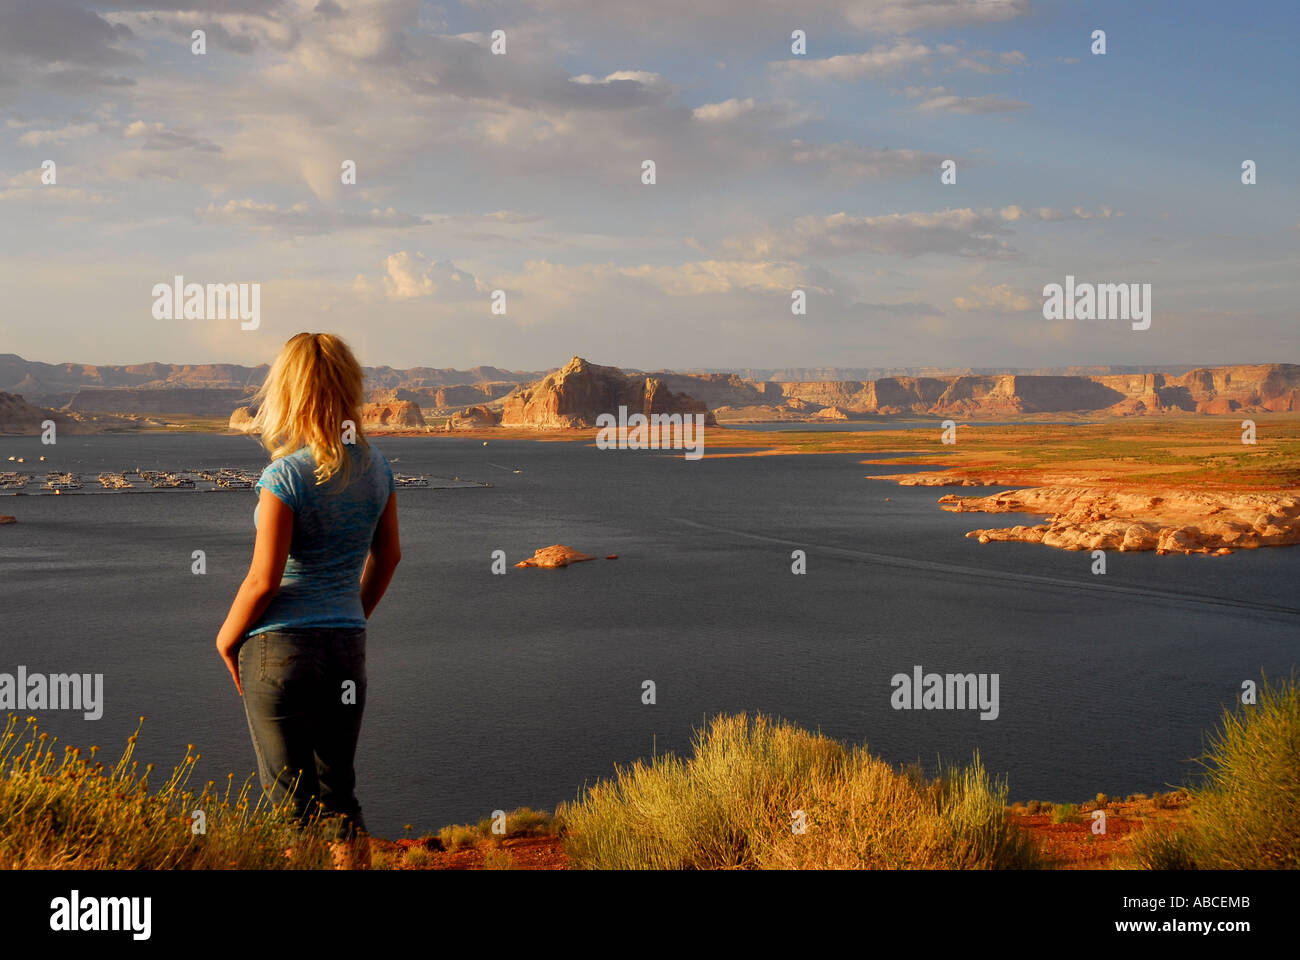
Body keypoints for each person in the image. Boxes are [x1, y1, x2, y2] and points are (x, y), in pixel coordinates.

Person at [215, 332, 401, 869]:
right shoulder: (377, 469)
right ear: (349, 388)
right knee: (339, 796)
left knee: (291, 814)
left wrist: (227, 639)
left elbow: (263, 581)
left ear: (289, 393)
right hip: (347, 649)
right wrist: (349, 616)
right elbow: (388, 558)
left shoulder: (284, 478)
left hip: (279, 653)